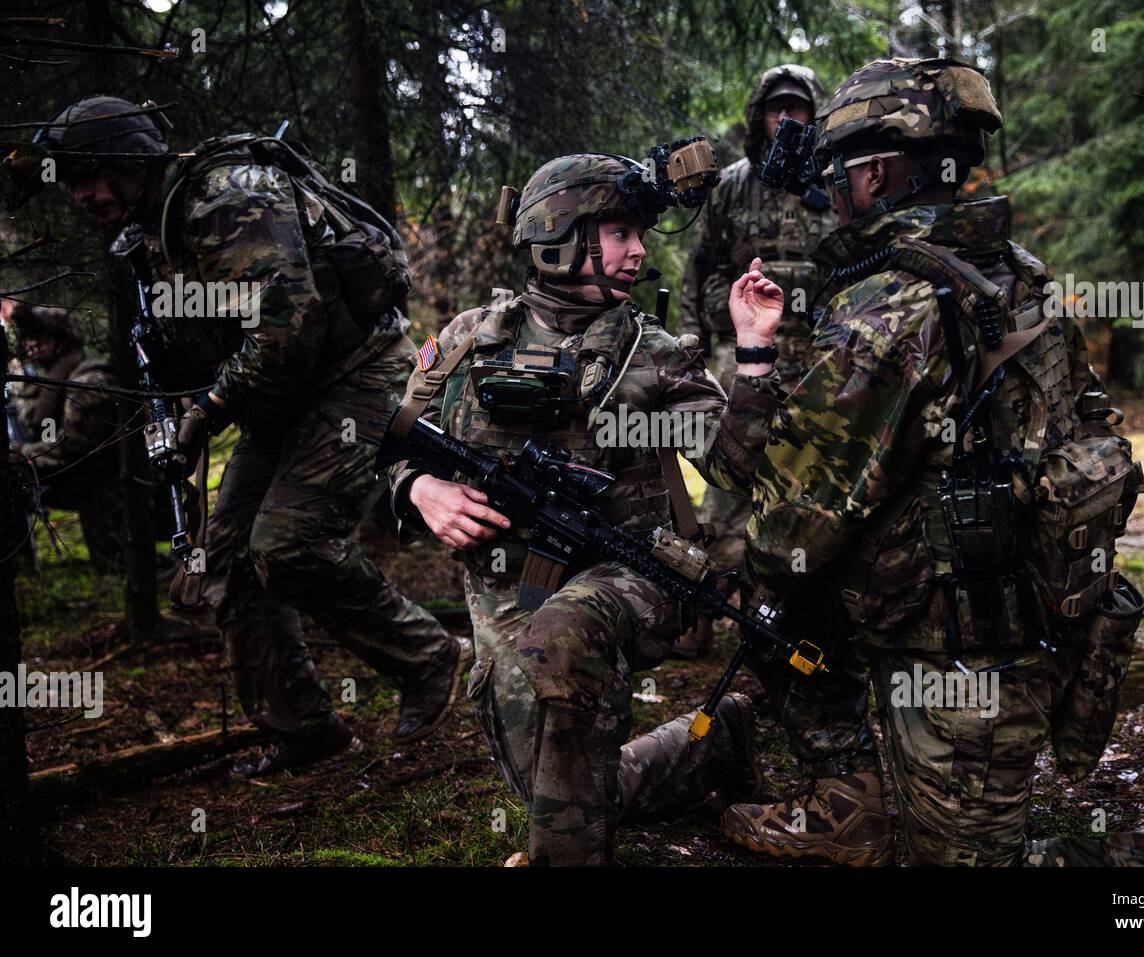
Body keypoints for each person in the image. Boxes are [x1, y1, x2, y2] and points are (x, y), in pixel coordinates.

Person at [723, 56, 1144, 867]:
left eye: (836, 174)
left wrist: (753, 389)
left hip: (958, 666)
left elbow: (787, 534)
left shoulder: (891, 308)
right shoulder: (1013, 275)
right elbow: (1093, 427)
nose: (829, 193)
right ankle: (848, 799)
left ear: (878, 171)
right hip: (1022, 632)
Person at [32, 96, 469, 776]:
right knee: (223, 564)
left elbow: (288, 329)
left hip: (352, 375)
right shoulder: (154, 226)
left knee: (288, 545)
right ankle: (304, 727)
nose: (82, 194)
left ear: (129, 158)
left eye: (90, 174)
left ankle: (428, 654)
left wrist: (205, 411)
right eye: (73, 179)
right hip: (280, 396)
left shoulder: (224, 199)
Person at [389, 152, 785, 865]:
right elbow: (381, 443)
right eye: (619, 232)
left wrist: (753, 354)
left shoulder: (655, 352)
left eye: (639, 234)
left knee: (563, 642)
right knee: (563, 784)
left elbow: (737, 466)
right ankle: (715, 738)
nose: (638, 249)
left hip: (631, 574)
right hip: (508, 587)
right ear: (559, 233)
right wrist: (418, 490)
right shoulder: (470, 340)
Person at [674, 64, 836, 657]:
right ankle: (701, 615)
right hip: (742, 358)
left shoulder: (833, 184)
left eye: (798, 108)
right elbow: (699, 273)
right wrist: (693, 348)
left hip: (817, 363)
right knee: (725, 490)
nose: (787, 118)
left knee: (809, 491)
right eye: (777, 109)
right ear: (759, 115)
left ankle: (786, 626)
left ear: (814, 116)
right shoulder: (731, 186)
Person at [3, 300, 123, 569]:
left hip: (117, 486)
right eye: (28, 339)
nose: (31, 345)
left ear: (61, 340)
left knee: (117, 564)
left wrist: (21, 456)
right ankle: (21, 564)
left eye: (40, 337)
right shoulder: (49, 383)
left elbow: (73, 447)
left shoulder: (87, 381)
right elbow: (34, 424)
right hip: (86, 480)